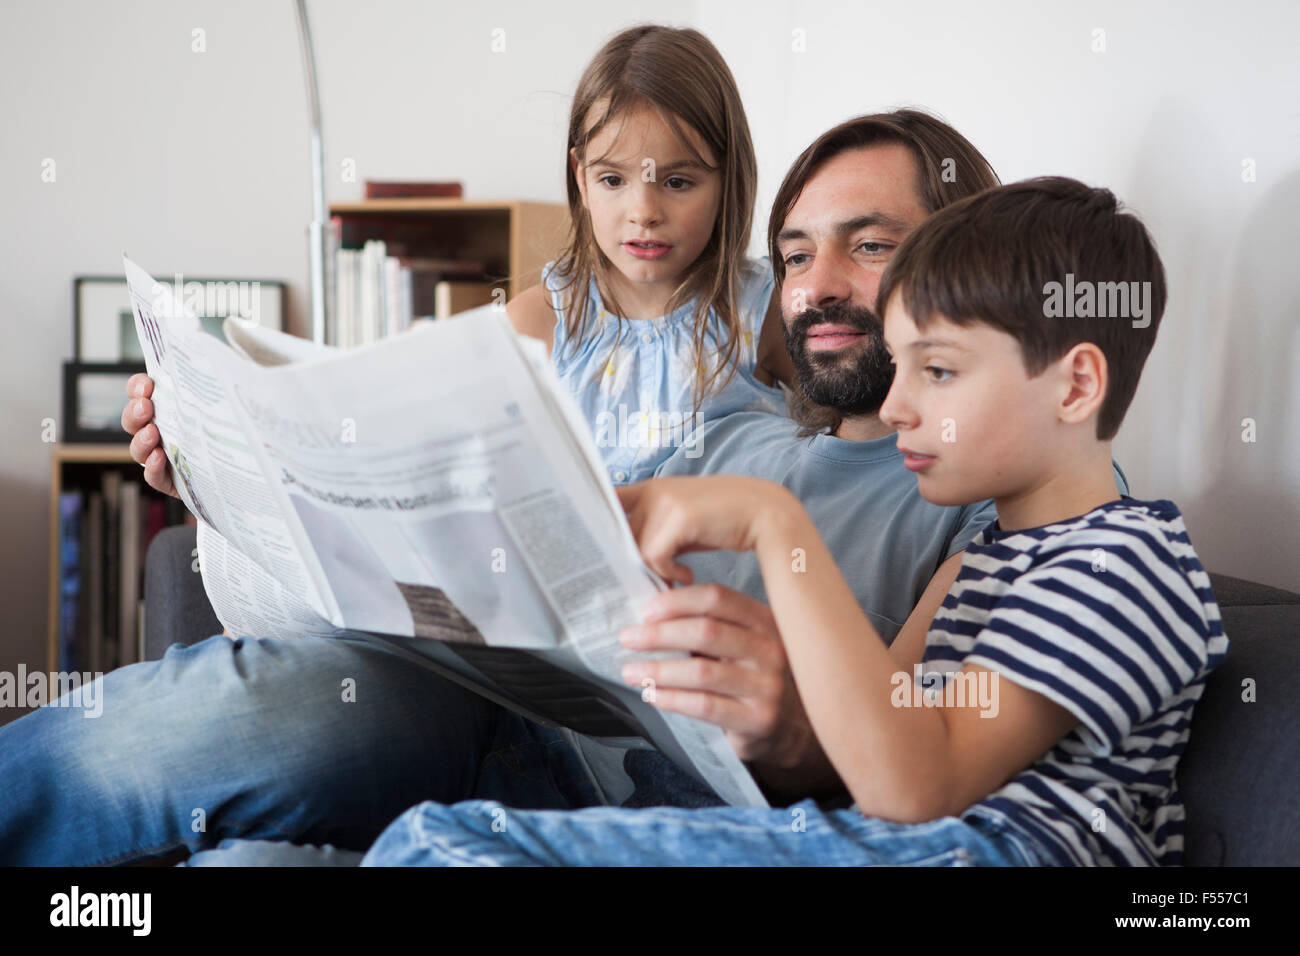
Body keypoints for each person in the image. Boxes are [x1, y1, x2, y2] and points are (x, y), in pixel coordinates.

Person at [0, 110, 1113, 867]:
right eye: (796, 251)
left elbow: (907, 759)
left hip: (629, 806)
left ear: (963, 272)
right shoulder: (726, 394)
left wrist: (794, 735)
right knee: (267, 706)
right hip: (483, 697)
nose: (817, 286)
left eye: (869, 246)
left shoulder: (984, 494)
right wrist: (224, 466)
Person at [359, 176, 1225, 867]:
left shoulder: (1121, 561)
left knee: (437, 847)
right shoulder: (1000, 557)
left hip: (979, 851)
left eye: (939, 370)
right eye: (901, 366)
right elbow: (881, 739)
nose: (896, 405)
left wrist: (774, 526)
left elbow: (913, 786)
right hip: (896, 840)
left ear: (1076, 386)